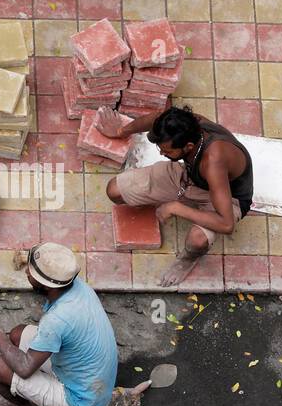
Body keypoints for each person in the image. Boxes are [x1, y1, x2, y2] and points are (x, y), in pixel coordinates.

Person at [101, 104, 253, 287]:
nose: (162, 154)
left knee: (198, 240)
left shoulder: (213, 161)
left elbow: (226, 224)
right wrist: (120, 130)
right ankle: (170, 198)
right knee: (115, 190)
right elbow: (153, 119)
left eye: (168, 151)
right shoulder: (183, 123)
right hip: (189, 177)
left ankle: (188, 259)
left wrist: (176, 207)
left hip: (227, 196)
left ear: (188, 147)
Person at [0, 243, 120, 406]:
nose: (26, 273)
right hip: (90, 376)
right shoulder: (79, 288)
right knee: (17, 333)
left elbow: (25, 369)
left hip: (81, 400)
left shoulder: (56, 320)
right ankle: (30, 384)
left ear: (47, 286)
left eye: (30, 273)